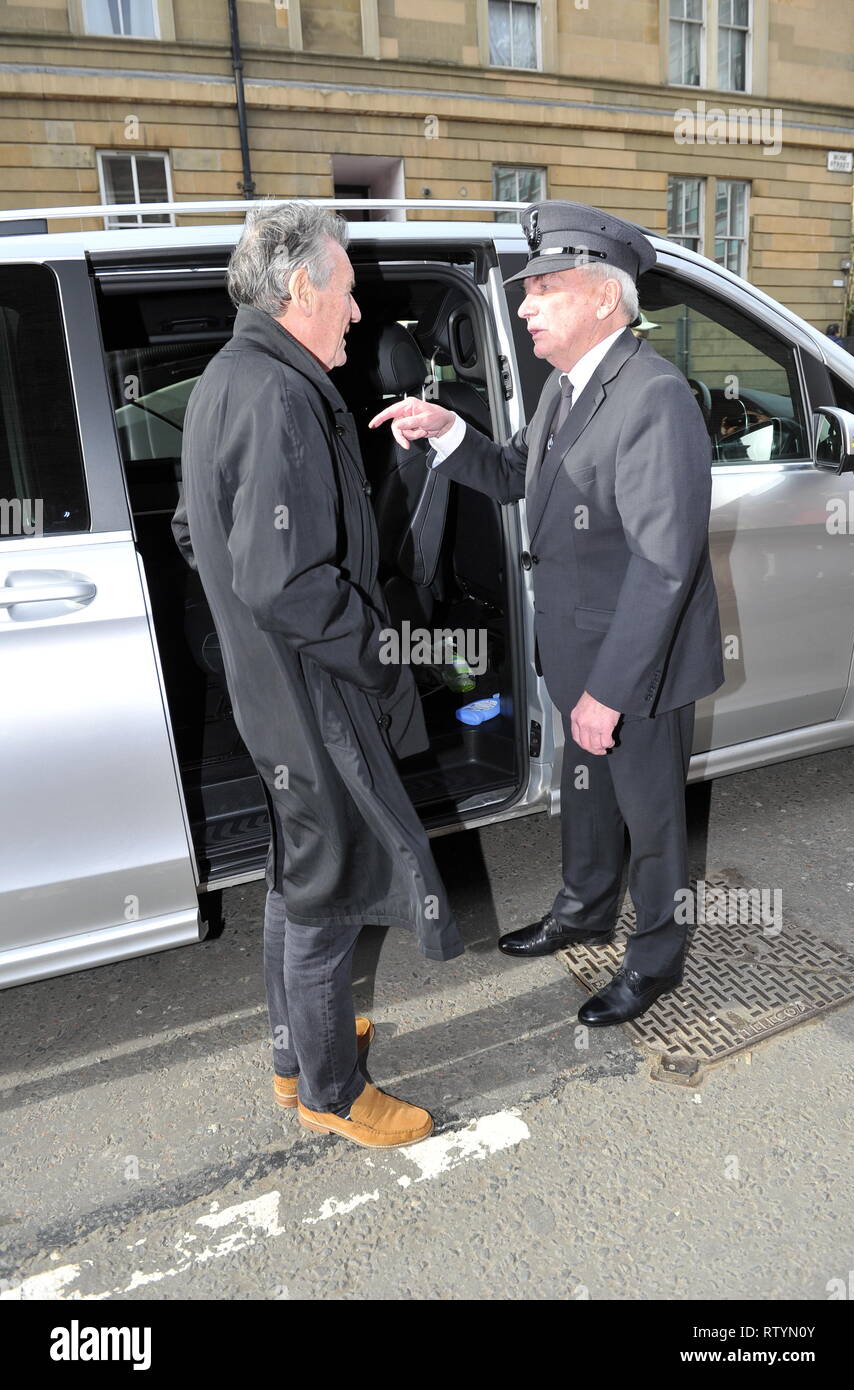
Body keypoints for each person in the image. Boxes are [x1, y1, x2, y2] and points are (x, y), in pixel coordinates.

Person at [370, 200, 724, 1027]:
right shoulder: (570, 386)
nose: (522, 305)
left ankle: (655, 960)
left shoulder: (652, 397)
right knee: (587, 794)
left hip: (636, 666)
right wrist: (450, 429)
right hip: (575, 648)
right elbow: (515, 474)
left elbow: (663, 563)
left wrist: (608, 692)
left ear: (603, 298)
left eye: (542, 290)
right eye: (526, 292)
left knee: (652, 816)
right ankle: (582, 910)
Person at [172, 201, 463, 1148]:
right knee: (331, 886)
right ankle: (332, 1090)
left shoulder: (228, 376)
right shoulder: (281, 397)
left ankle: (298, 1046)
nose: (354, 313)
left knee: (300, 873)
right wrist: (380, 652)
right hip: (314, 693)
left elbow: (195, 531)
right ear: (302, 288)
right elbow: (288, 584)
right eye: (344, 293)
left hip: (272, 688)